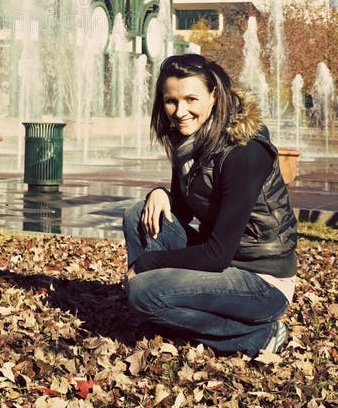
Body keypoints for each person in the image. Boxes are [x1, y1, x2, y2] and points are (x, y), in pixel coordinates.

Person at [123, 53, 297, 357]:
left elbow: (217, 256)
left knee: (143, 290)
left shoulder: (243, 153)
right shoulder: (190, 142)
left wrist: (144, 266)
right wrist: (159, 193)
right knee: (138, 214)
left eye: (192, 99)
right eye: (171, 101)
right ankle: (159, 315)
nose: (180, 111)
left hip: (261, 281)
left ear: (214, 97)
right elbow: (183, 212)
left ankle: (257, 335)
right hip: (227, 262)